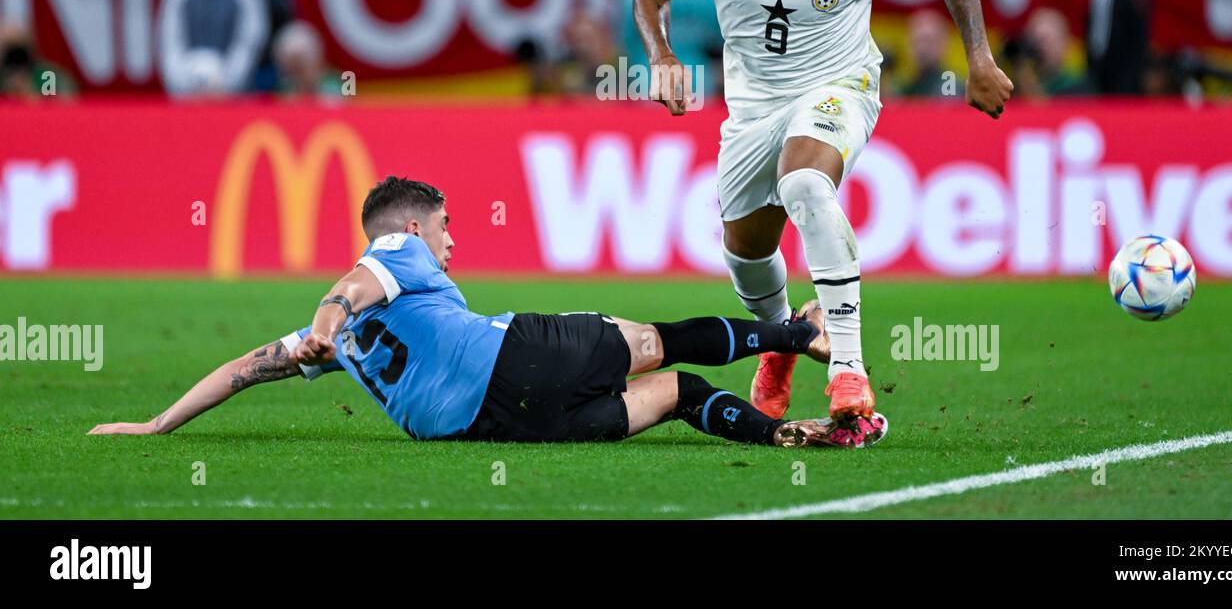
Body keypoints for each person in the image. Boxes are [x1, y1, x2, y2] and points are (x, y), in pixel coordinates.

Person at [632, 0, 1012, 429]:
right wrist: (661, 57)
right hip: (754, 108)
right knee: (746, 254)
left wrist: (981, 60)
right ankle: (785, 342)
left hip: (839, 86)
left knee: (806, 183)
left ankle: (848, 370)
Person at [88, 177, 887, 450]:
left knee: (675, 393)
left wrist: (159, 426)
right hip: (514, 361)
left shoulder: (334, 344)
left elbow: (240, 371)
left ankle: (796, 435)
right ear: (411, 227)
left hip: (495, 427)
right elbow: (348, 286)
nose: (451, 240)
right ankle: (797, 333)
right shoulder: (392, 256)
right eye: (444, 227)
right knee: (647, 339)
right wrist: (330, 318)